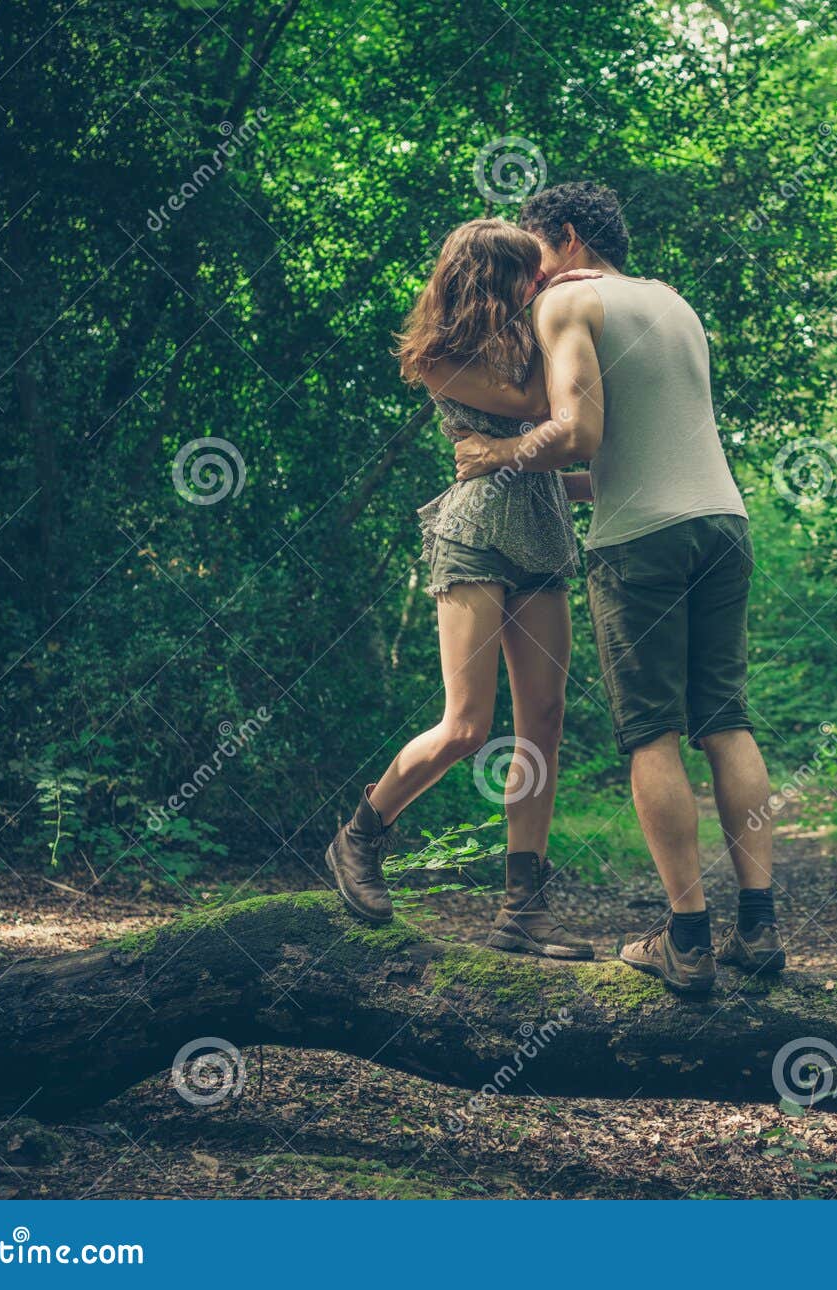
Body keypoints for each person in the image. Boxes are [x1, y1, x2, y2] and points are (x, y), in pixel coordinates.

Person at [453, 183, 784, 994]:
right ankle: (760, 929)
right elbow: (629, 459)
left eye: (531, 256)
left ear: (564, 240)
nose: (526, 278)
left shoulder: (568, 306)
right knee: (727, 722)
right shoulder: (673, 303)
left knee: (651, 735)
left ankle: (688, 940)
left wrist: (493, 457)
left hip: (641, 547)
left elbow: (578, 435)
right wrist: (547, 487)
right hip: (723, 525)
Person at [325, 218, 594, 961]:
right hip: (473, 534)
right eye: (529, 276)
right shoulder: (439, 355)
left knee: (543, 719)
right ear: (492, 278)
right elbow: (539, 403)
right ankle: (359, 838)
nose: (543, 283)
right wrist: (576, 317)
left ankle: (523, 908)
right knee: (468, 725)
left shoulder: (541, 332)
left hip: (543, 527)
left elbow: (568, 422)